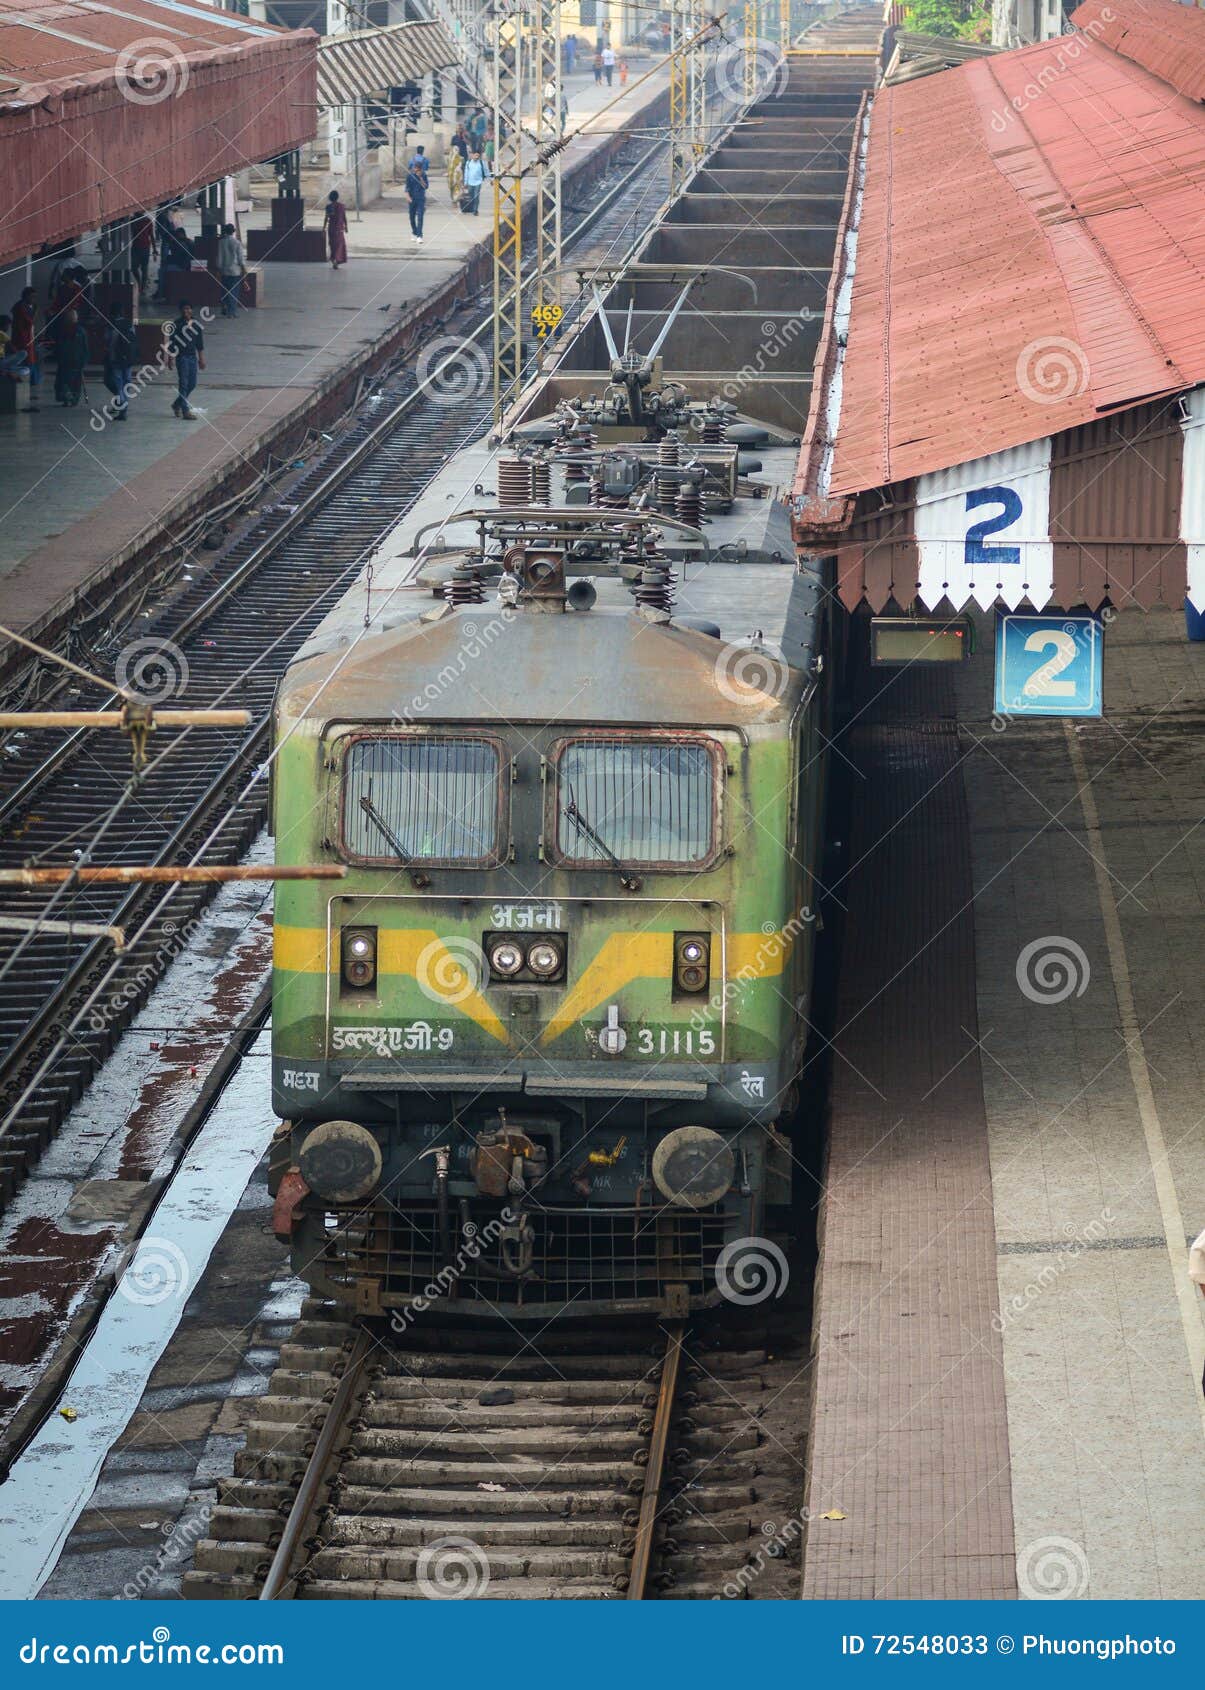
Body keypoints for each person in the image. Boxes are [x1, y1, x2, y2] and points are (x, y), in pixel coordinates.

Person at [167, 301, 205, 419]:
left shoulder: (196, 325)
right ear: (181, 311)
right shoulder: (177, 324)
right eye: (184, 309)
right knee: (183, 384)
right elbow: (172, 343)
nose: (186, 311)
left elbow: (199, 344)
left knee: (192, 384)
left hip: (192, 357)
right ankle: (185, 411)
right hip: (181, 357)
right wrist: (170, 358)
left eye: (188, 308)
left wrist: (201, 359)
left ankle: (176, 404)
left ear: (191, 310)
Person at [10, 287, 40, 408]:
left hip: (29, 340)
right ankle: (24, 392)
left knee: (30, 364)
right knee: (24, 364)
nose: (34, 299)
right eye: (31, 297)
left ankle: (29, 390)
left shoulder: (30, 307)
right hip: (22, 341)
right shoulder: (20, 308)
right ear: (25, 296)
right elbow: (24, 324)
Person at [104, 309, 136, 421]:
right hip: (128, 360)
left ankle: (122, 405)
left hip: (115, 360)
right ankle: (123, 411)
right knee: (126, 384)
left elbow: (107, 341)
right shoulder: (129, 324)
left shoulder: (111, 325)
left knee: (119, 385)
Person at [54, 309, 89, 406]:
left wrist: (84, 360)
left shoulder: (80, 331)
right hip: (67, 360)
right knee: (66, 382)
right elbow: (59, 345)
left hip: (75, 360)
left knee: (73, 382)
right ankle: (68, 399)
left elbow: (85, 347)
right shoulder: (63, 330)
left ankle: (72, 399)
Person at [216, 222, 246, 317]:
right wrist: (244, 269)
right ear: (233, 231)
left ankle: (225, 306)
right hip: (235, 271)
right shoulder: (237, 243)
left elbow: (219, 258)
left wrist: (218, 269)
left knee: (225, 291)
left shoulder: (221, 242)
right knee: (234, 292)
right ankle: (231, 312)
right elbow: (241, 258)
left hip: (224, 271)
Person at [129, 212, 156, 295]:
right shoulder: (133, 221)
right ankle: (139, 283)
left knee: (144, 269)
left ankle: (142, 287)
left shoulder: (147, 221)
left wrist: (154, 249)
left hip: (144, 247)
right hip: (136, 247)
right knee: (134, 267)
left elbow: (151, 235)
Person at [324, 190, 348, 270]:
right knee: (340, 246)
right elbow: (344, 217)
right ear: (337, 197)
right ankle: (337, 261)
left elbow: (326, 218)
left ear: (330, 198)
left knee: (333, 245)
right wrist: (346, 226)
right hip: (340, 229)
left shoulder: (329, 206)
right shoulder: (342, 206)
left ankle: (334, 259)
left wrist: (323, 228)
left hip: (332, 229)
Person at [405, 159, 427, 244]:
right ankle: (414, 232)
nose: (416, 170)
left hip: (421, 198)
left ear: (421, 169)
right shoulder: (410, 176)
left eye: (418, 169)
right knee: (412, 217)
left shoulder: (424, 175)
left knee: (420, 217)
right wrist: (407, 196)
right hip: (412, 199)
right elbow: (407, 187)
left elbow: (425, 186)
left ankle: (419, 235)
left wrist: (421, 178)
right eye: (415, 168)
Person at [463, 149, 487, 215]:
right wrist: (465, 183)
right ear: (472, 155)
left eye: (478, 156)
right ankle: (470, 208)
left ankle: (475, 210)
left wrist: (490, 180)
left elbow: (486, 172)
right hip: (470, 182)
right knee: (471, 196)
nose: (476, 157)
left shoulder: (481, 163)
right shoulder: (468, 163)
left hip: (478, 182)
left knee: (476, 197)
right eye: (475, 155)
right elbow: (466, 173)